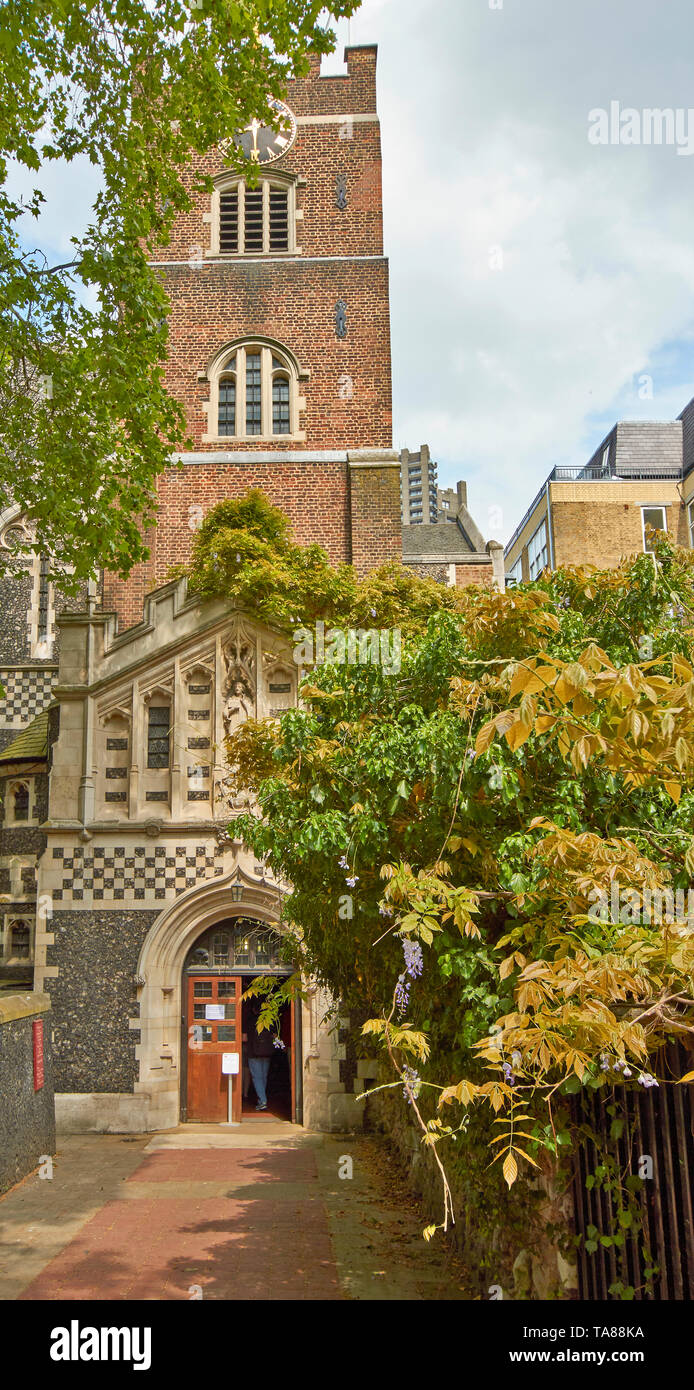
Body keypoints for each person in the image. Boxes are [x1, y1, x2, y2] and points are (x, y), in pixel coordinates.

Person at [244, 998, 275, 1111]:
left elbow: (244, 1038)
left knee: (257, 1077)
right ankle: (262, 1098)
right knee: (263, 1077)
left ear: (253, 1009)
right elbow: (275, 1036)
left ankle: (262, 1100)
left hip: (253, 1053)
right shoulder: (268, 1020)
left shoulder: (250, 1020)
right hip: (266, 1053)